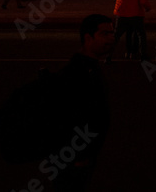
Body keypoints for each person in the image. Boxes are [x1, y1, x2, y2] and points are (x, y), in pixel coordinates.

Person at [54, 14, 113, 191]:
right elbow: (69, 117)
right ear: (88, 38)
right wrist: (78, 156)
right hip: (74, 162)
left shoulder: (89, 66)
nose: (111, 39)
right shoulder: (80, 72)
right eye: (104, 34)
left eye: (112, 33)